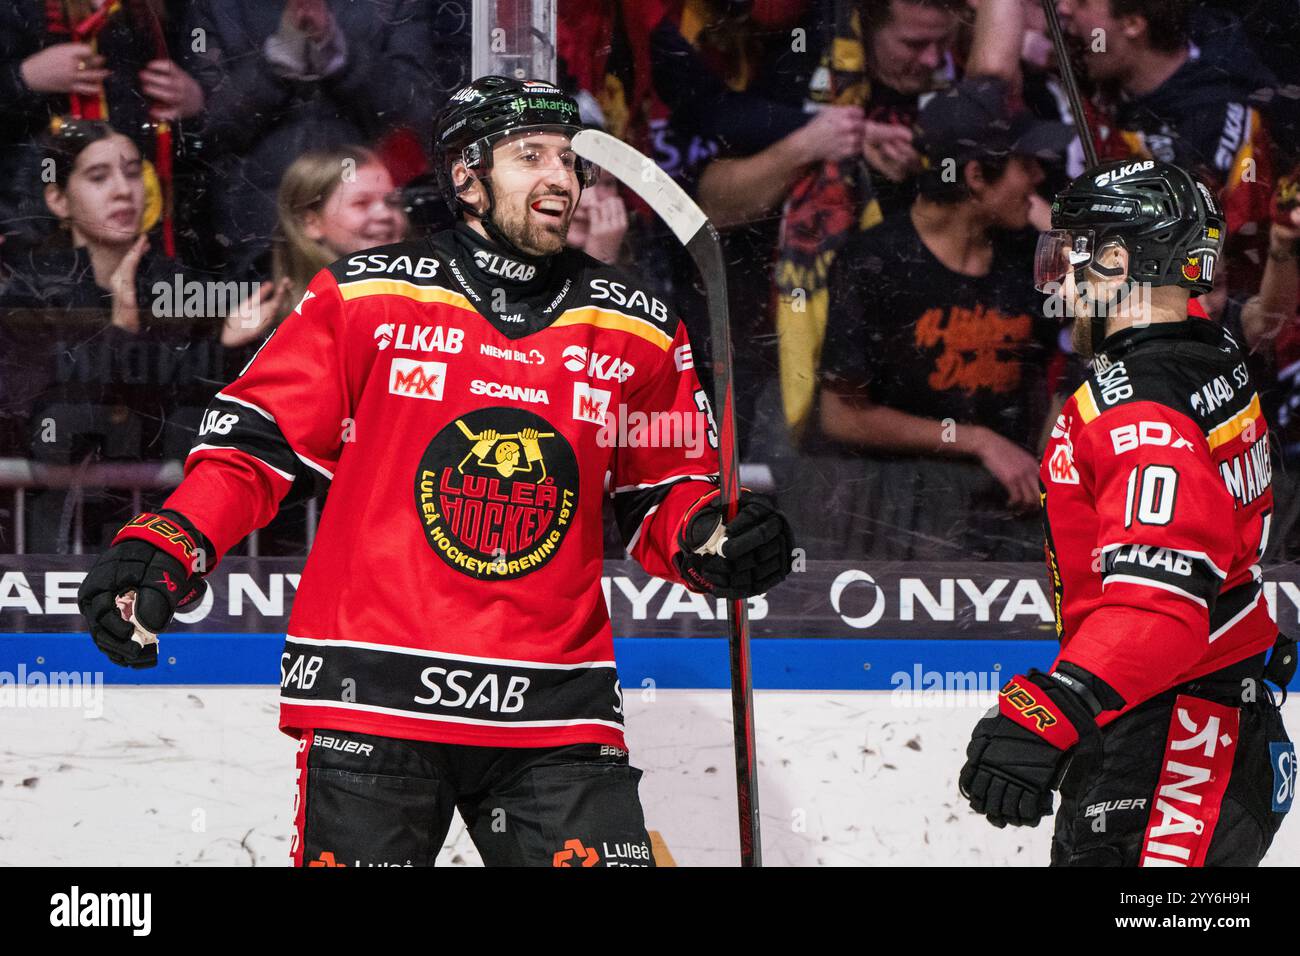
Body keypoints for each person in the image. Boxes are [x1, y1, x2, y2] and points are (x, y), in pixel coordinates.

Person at [76, 76, 795, 868]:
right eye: (531, 157)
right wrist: (170, 537)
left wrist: (714, 538)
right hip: (371, 694)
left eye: (569, 158)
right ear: (467, 178)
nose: (560, 176)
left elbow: (666, 495)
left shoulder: (637, 323)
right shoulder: (365, 295)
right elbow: (257, 447)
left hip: (556, 707)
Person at [959, 159, 1293, 866]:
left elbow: (1163, 602)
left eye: (1069, 253)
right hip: (1192, 715)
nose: (1058, 280)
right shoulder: (1208, 356)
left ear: (1115, 260)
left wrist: (1054, 707)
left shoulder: (1139, 406)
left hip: (1182, 735)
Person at [786, 77, 1071, 560]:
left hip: (1008, 516)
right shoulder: (875, 262)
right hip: (897, 517)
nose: (1039, 178)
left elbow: (1077, 364)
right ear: (977, 177)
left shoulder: (1031, 254)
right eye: (1025, 166)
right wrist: (977, 441)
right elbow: (841, 416)